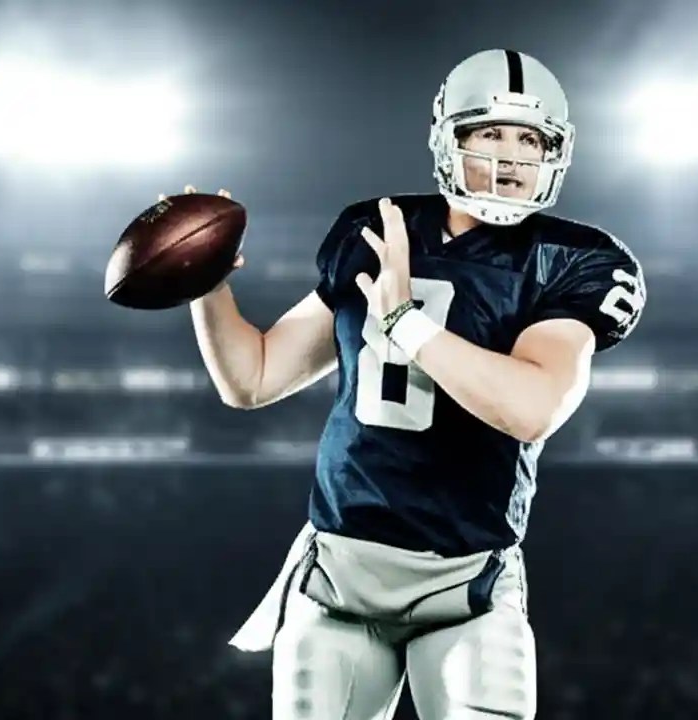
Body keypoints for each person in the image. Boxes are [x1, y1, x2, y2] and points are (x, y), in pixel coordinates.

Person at [186, 48, 645, 720]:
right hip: (339, 577)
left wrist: (408, 326)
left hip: (466, 586)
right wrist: (207, 283)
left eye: (531, 138)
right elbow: (252, 378)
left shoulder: (572, 261)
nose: (512, 156)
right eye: (489, 132)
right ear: (447, 139)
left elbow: (532, 407)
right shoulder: (374, 229)